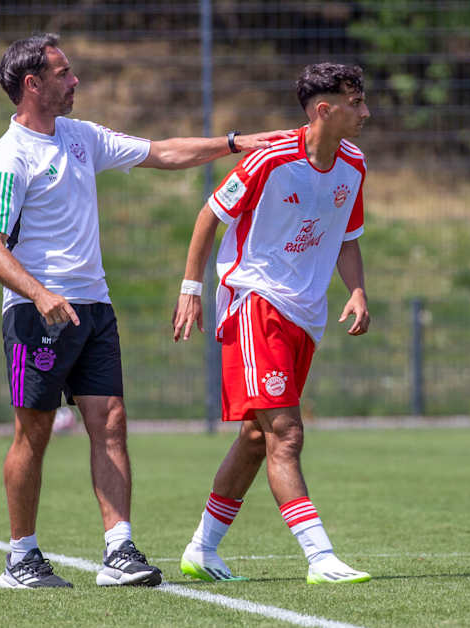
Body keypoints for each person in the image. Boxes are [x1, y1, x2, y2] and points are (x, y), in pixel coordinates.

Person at [0, 33, 290, 589]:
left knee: (111, 422)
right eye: (63, 72)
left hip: (94, 308)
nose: (75, 81)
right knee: (34, 432)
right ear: (33, 84)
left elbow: (163, 152)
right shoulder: (8, 158)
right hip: (35, 316)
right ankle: (21, 557)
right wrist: (40, 294)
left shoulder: (81, 137)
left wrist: (239, 143)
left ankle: (118, 550)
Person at [170, 62, 373, 584]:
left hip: (305, 313)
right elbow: (209, 215)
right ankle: (320, 557)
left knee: (256, 438)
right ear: (323, 109)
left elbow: (347, 236)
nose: (365, 112)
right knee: (285, 432)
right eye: (355, 102)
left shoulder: (354, 164)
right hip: (255, 300)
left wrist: (356, 290)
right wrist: (192, 289)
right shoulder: (270, 159)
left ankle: (201, 549)